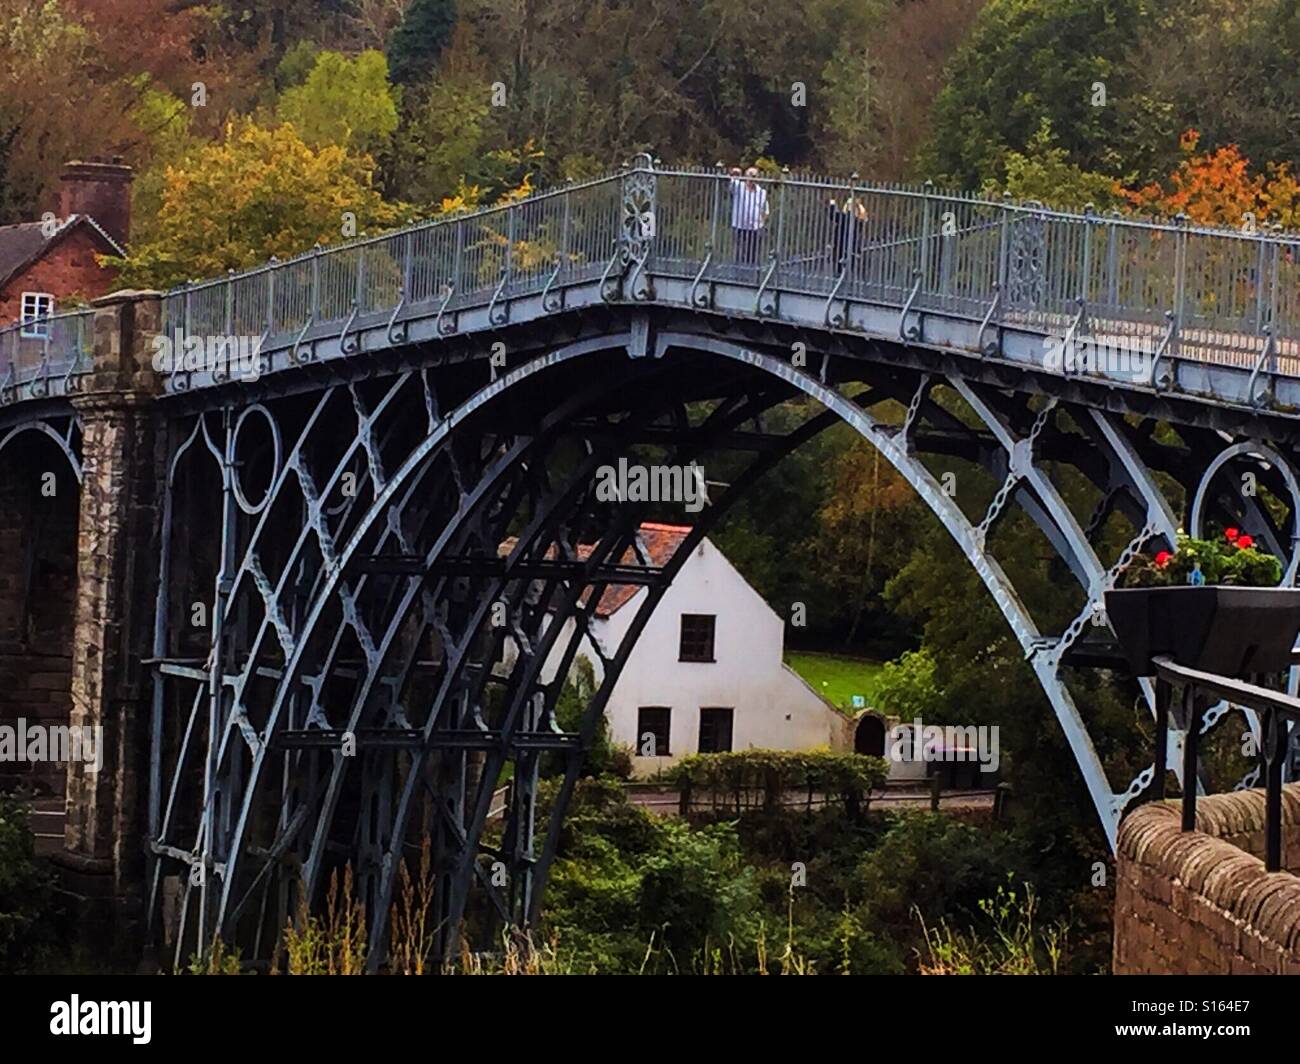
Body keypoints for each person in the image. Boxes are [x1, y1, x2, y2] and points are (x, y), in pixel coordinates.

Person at [729, 166, 769, 267]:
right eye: (750, 175)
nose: (752, 178)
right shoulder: (739, 187)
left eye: (754, 176)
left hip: (755, 229)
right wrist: (735, 174)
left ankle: (751, 277)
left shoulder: (761, 192)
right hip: (740, 227)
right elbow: (732, 183)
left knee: (753, 255)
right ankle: (739, 276)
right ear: (746, 176)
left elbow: (765, 210)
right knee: (739, 253)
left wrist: (761, 223)